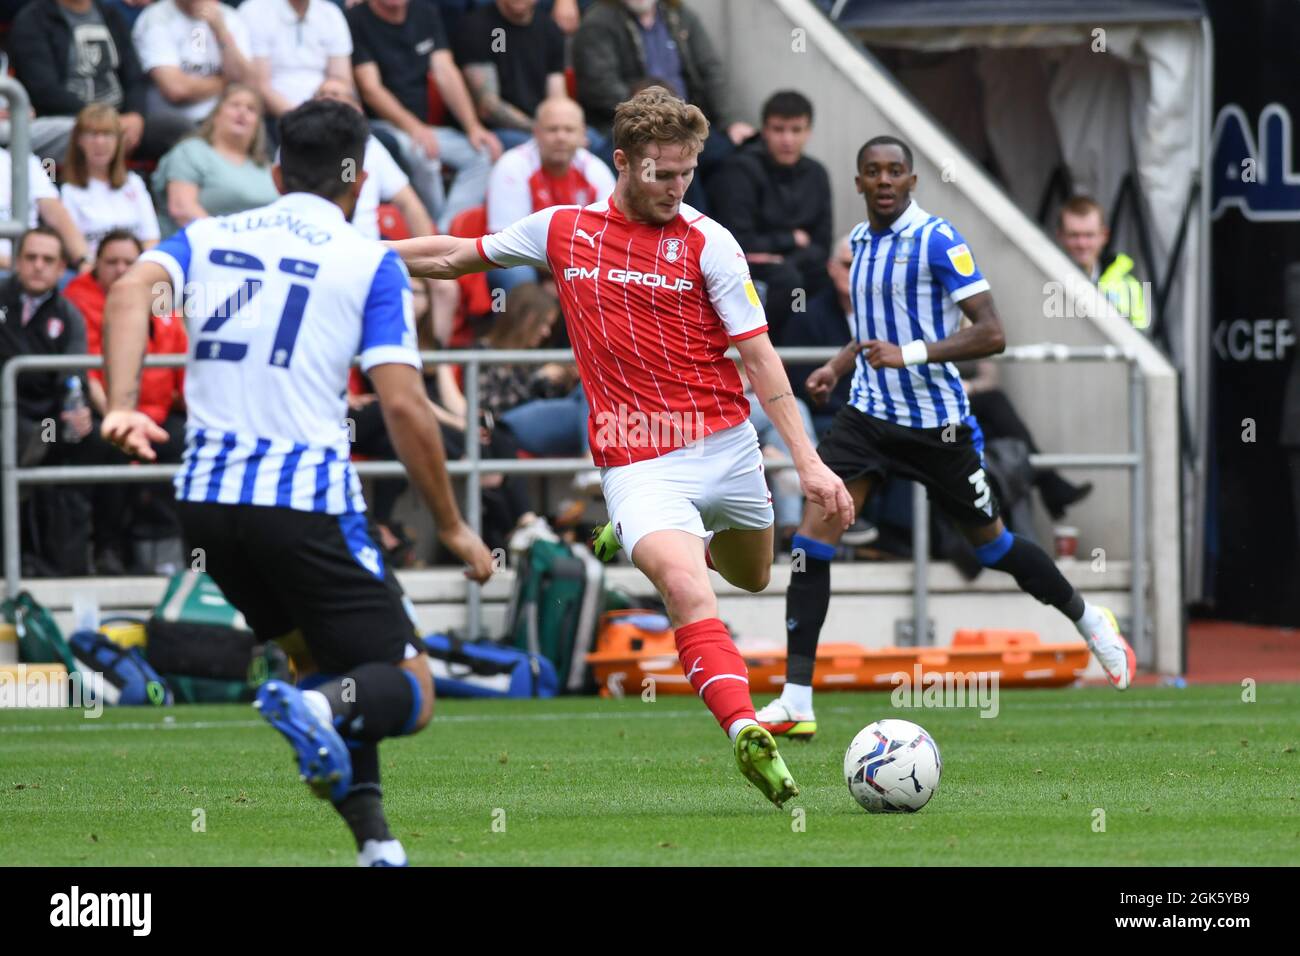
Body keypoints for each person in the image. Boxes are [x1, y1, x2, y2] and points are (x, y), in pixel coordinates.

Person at [388, 86, 853, 808]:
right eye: (660, 173)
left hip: (726, 448)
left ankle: (634, 536)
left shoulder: (710, 243)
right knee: (685, 585)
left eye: (686, 173)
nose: (675, 188)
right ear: (622, 162)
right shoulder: (563, 229)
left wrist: (809, 461)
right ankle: (744, 731)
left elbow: (763, 363)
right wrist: (358, 256)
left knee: (754, 576)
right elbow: (454, 254)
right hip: (637, 458)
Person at [100, 98, 495, 866]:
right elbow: (406, 404)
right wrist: (450, 523)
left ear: (278, 170)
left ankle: (377, 845)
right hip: (303, 501)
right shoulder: (367, 258)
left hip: (207, 508)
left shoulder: (208, 236)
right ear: (359, 179)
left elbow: (126, 293)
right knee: (409, 690)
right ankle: (312, 707)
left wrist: (121, 405)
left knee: (323, 662)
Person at [756, 136, 1137, 743]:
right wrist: (838, 364)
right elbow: (869, 333)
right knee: (812, 535)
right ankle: (796, 697)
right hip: (868, 418)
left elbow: (992, 333)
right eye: (872, 172)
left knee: (992, 547)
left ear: (911, 181)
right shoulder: (857, 244)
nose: (884, 180)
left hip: (939, 426)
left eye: (895, 171)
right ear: (858, 184)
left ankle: (1089, 618)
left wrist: (909, 354)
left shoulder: (939, 240)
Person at [0, 227, 129, 575]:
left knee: (104, 444)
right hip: (3, 412)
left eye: (48, 260)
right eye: (31, 258)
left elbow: (72, 376)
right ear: (17, 262)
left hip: (44, 420)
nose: (38, 266)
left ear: (61, 269)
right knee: (19, 440)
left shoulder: (67, 314)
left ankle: (102, 553)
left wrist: (77, 409)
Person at [572, 0, 754, 207]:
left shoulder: (680, 16)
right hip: (631, 126)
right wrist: (650, 111)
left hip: (686, 121)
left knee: (739, 154)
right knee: (674, 159)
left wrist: (731, 121)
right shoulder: (599, 22)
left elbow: (711, 71)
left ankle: (721, 231)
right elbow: (599, 86)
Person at [348, 0, 502, 232]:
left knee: (484, 153)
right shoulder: (356, 19)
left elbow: (445, 71)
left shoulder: (425, 11)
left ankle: (446, 230)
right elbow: (371, 89)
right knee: (424, 154)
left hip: (424, 127)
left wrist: (473, 127)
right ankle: (430, 233)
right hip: (382, 126)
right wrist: (414, 128)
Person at [710, 90, 831, 345]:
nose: (787, 139)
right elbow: (736, 241)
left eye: (796, 130)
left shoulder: (817, 174)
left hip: (799, 267)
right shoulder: (740, 169)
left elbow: (822, 245)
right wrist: (791, 239)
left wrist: (785, 255)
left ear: (808, 132)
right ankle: (768, 354)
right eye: (779, 129)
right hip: (752, 270)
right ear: (764, 130)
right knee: (787, 279)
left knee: (833, 277)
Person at [7, 0, 193, 162]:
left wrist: (136, 115)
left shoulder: (111, 15)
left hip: (123, 121)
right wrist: (104, 121)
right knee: (88, 138)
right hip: (71, 120)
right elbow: (44, 90)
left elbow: (134, 77)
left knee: (178, 129)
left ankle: (154, 196)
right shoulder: (33, 20)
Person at [486, 96, 615, 291]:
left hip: (576, 264)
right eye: (552, 129)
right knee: (515, 272)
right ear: (536, 132)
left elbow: (610, 237)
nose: (561, 137)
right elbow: (508, 243)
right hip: (522, 260)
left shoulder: (595, 170)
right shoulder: (512, 166)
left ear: (583, 135)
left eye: (569, 130)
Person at [313, 78, 435, 240]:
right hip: (315, 243)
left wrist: (425, 254)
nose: (326, 100)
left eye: (335, 95)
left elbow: (410, 203)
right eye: (321, 95)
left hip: (367, 247)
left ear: (357, 108)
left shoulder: (370, 146)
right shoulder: (297, 143)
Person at [151, 83, 279, 236]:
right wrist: (228, 240)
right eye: (234, 105)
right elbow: (181, 208)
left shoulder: (265, 167)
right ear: (216, 115)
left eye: (251, 109)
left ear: (258, 124)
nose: (242, 111)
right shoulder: (191, 151)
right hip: (198, 247)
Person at [454, 0, 567, 152]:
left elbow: (557, 94)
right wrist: (542, 128)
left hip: (542, 126)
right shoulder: (477, 26)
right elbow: (488, 107)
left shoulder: (549, 28)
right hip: (494, 130)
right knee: (547, 147)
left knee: (594, 140)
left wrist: (564, 126)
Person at [59, 105, 162, 259]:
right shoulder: (68, 190)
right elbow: (74, 248)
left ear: (119, 140)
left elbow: (151, 238)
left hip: (136, 270)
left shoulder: (134, 182)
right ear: (79, 140)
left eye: (107, 134)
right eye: (92, 134)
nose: (100, 142)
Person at [238, 0, 353, 136]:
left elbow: (341, 81)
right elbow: (260, 87)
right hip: (275, 118)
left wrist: (329, 116)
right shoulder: (254, 11)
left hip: (327, 116)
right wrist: (304, 120)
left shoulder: (331, 13)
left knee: (375, 137)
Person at [132, 0, 253, 127]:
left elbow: (245, 81)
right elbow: (176, 90)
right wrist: (227, 82)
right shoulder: (156, 18)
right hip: (172, 120)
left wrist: (221, 31)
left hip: (222, 119)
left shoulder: (229, 18)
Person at [1056, 194, 1149, 332]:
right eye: (1074, 235)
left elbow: (1141, 343)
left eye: (1089, 235)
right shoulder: (1042, 278)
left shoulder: (1129, 287)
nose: (1082, 243)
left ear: (1104, 236)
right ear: (1060, 236)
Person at [0, 146, 89, 272]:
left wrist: (84, 260)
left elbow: (54, 211)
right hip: (23, 267)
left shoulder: (22, 158)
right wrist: (19, 265)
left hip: (34, 266)